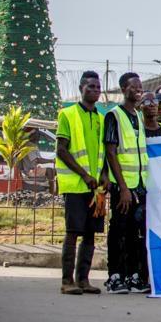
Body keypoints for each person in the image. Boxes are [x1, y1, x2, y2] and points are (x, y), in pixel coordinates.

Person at [55, 71, 108, 295]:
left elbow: (104, 152)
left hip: (95, 189)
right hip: (76, 185)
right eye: (90, 87)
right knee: (72, 232)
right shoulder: (67, 115)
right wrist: (84, 175)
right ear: (81, 89)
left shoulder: (101, 119)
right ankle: (67, 281)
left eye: (98, 87)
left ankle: (83, 279)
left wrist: (104, 175)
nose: (95, 91)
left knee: (90, 233)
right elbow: (61, 149)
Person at [103, 72, 150, 294]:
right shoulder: (114, 115)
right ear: (123, 89)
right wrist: (122, 187)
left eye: (140, 87)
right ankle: (115, 276)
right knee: (118, 230)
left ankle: (132, 276)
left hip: (139, 184)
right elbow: (111, 152)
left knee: (134, 232)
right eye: (134, 87)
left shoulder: (137, 116)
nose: (138, 90)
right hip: (123, 186)